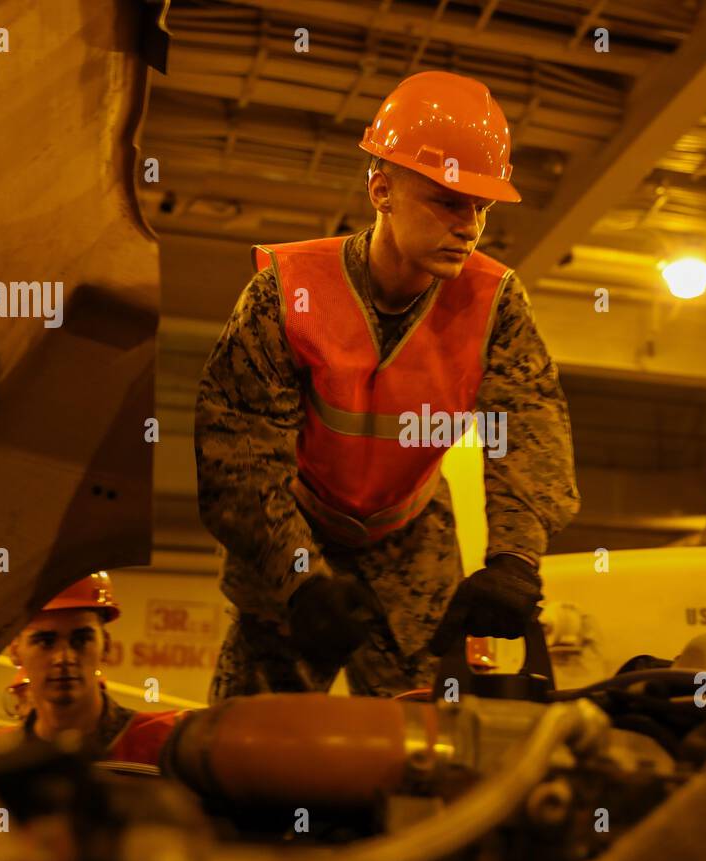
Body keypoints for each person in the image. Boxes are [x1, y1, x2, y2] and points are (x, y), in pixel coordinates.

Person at [195, 70, 580, 701]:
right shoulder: (287, 291)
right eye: (449, 201)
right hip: (294, 527)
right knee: (250, 743)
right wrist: (300, 582)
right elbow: (236, 450)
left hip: (411, 538)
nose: (471, 227)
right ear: (381, 189)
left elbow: (530, 431)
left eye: (480, 207)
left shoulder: (496, 302)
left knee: (436, 746)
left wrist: (515, 561)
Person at [0, 572, 183, 765]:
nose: (64, 658)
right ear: (15, 650)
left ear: (105, 645)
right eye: (45, 642)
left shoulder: (162, 744)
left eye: (80, 640)